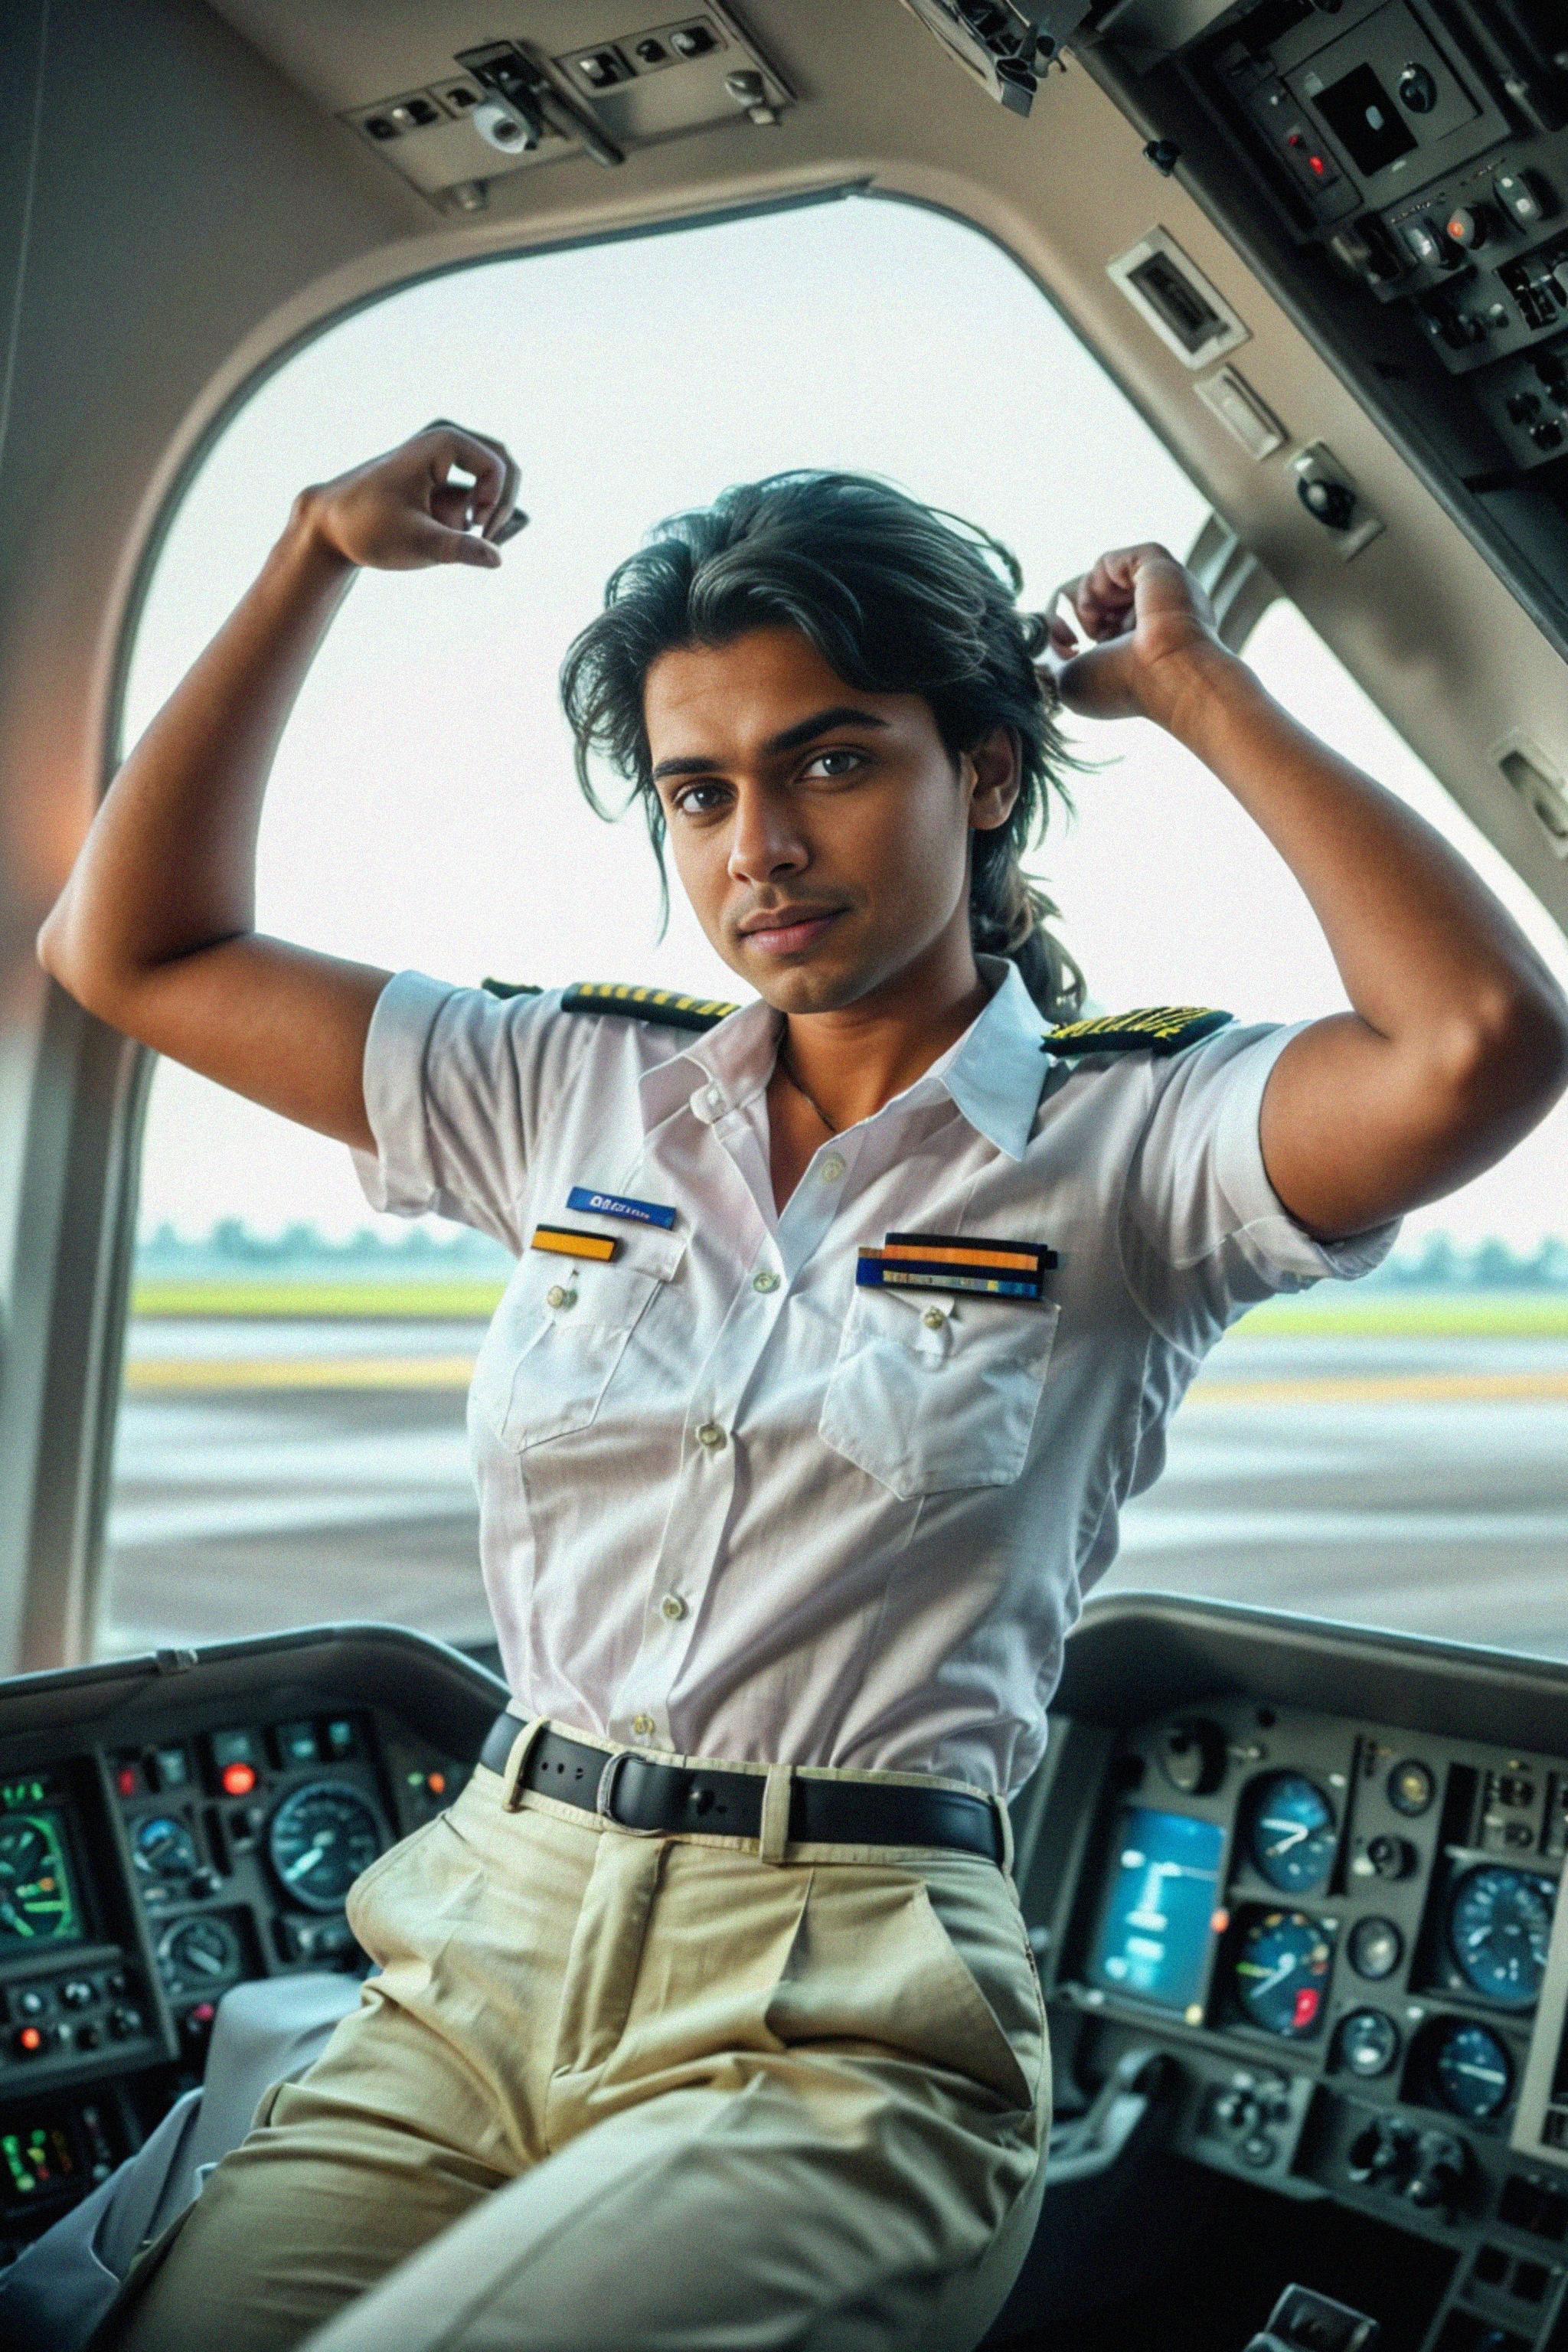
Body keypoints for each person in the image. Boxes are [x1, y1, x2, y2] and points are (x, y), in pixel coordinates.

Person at [40, 423, 1568, 2352]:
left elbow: (1478, 1041)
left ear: (982, 773)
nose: (755, 846)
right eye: (698, 792)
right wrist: (306, 555)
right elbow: (130, 948)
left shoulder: (1133, 1146)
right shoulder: (564, 1086)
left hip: (848, 2003)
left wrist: (1194, 688)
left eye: (830, 762)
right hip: (478, 1948)